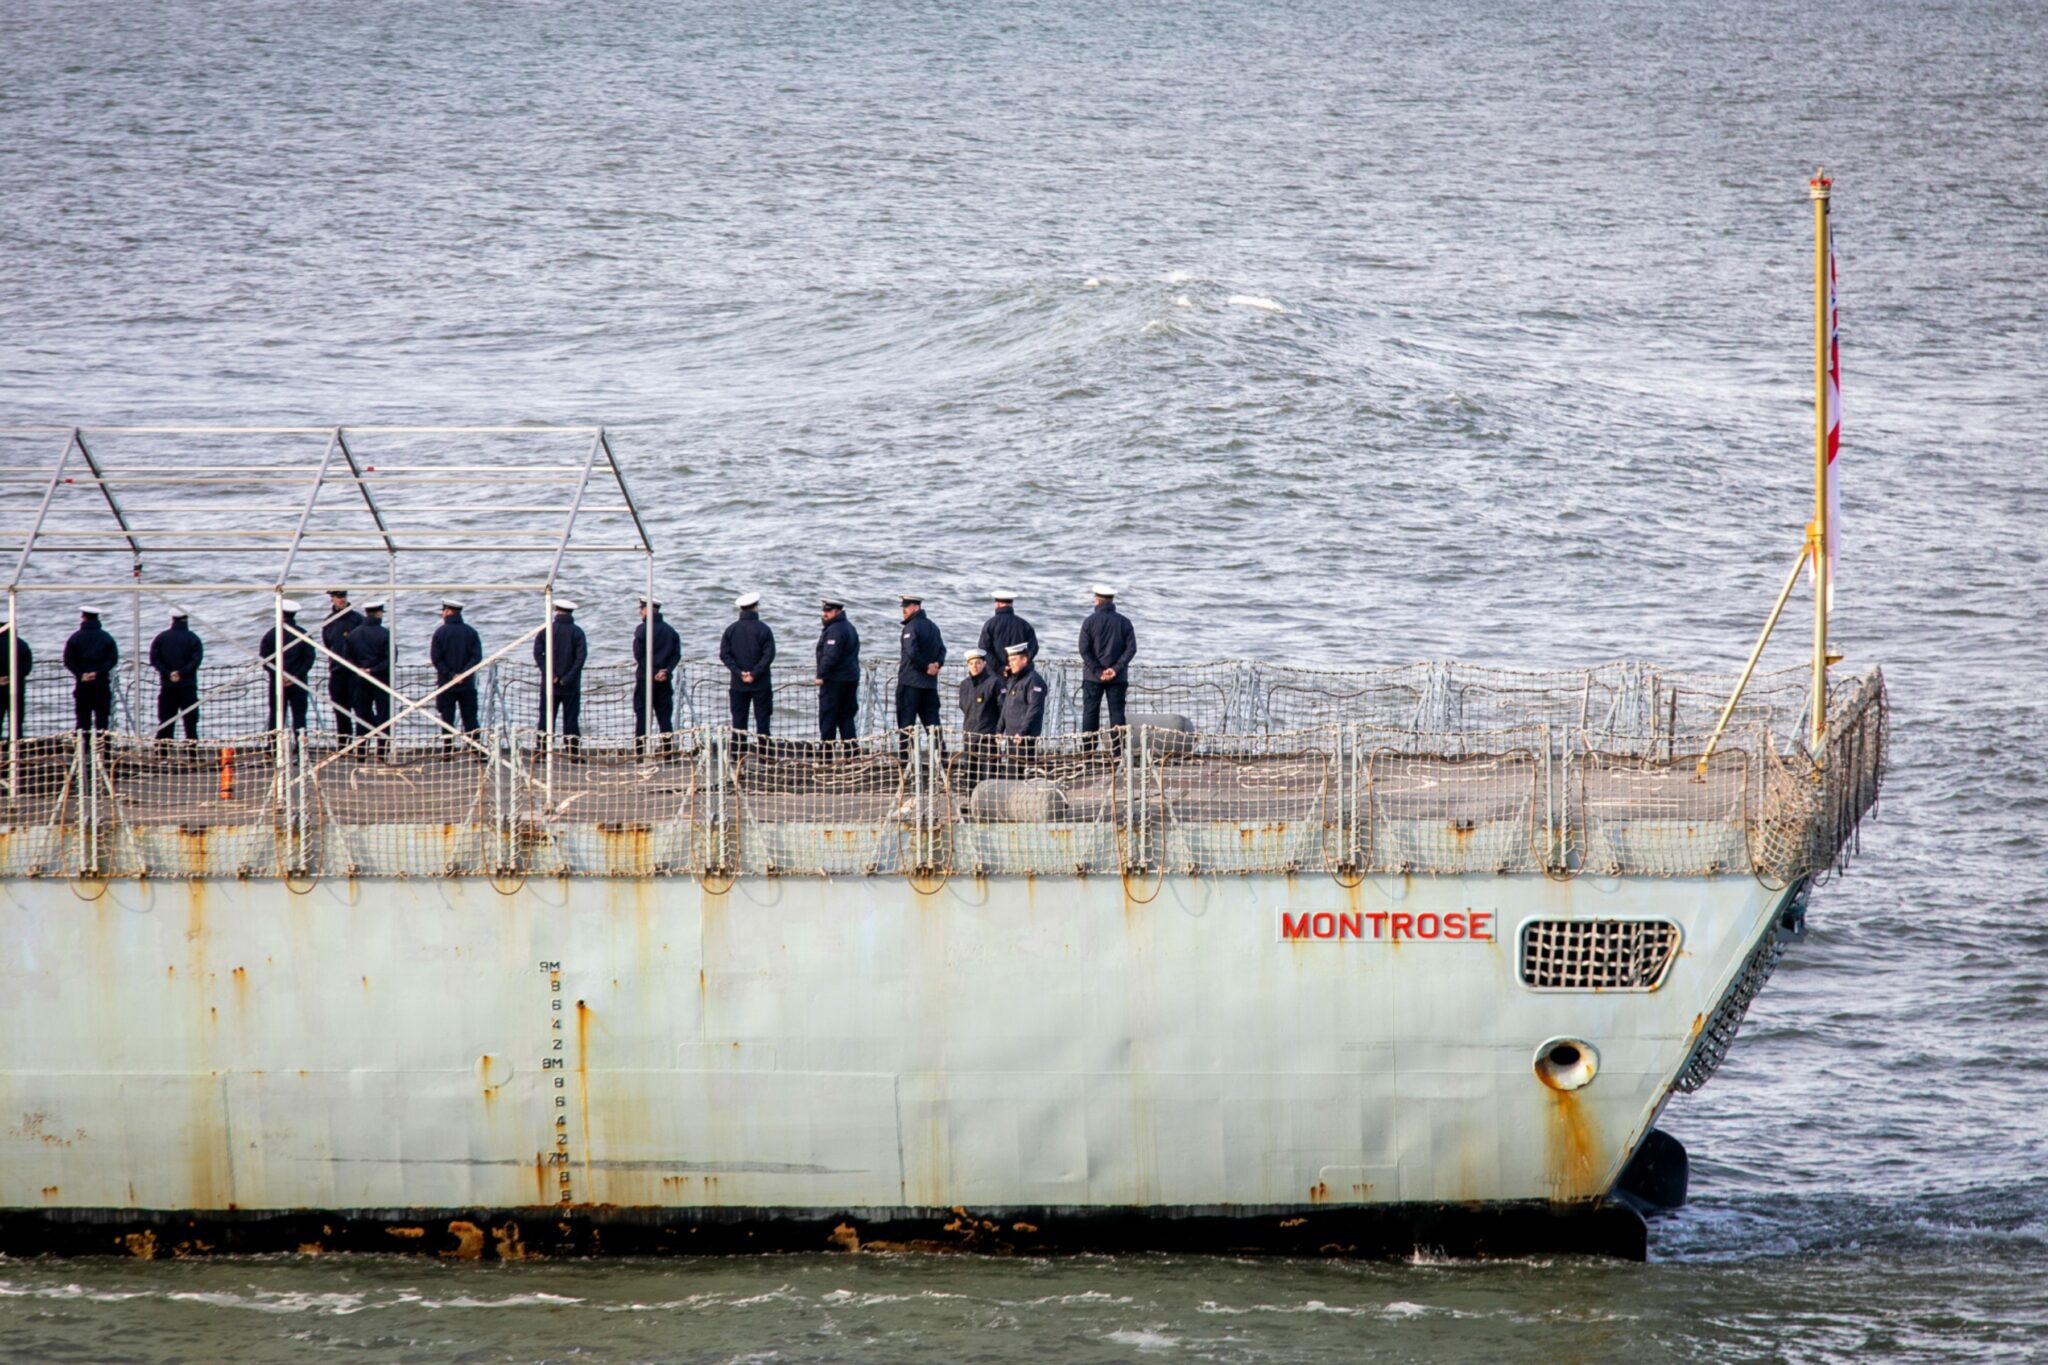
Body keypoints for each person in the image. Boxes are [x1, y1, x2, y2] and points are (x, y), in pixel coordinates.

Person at [1078, 583, 1137, 752]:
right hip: (1117, 677)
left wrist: (1097, 671)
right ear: (1112, 600)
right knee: (1117, 714)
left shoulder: (1089, 622)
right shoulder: (1124, 622)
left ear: (1097, 600)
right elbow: (1131, 649)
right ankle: (1118, 752)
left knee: (1090, 714)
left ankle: (1087, 753)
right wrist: (1115, 669)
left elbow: (1084, 649)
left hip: (1092, 676)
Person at [533, 598, 588, 755]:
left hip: (549, 683)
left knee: (545, 717)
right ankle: (573, 752)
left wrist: (550, 674)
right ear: (572, 612)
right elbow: (580, 658)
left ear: (556, 610)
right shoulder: (577, 632)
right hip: (570, 685)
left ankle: (542, 750)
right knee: (571, 719)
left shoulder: (546, 630)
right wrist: (566, 678)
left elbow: (538, 653)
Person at [895, 593, 946, 759]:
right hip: (929, 684)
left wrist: (926, 667)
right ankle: (941, 757)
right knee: (932, 723)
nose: (903, 610)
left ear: (916, 607)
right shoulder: (933, 627)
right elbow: (942, 650)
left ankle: (905, 759)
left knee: (906, 724)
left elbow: (911, 652)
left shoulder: (911, 627)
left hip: (911, 683)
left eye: (906, 607)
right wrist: (936, 665)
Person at [719, 592, 775, 739]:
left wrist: (739, 673)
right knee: (763, 722)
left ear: (741, 609)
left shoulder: (731, 630)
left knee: (738, 723)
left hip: (738, 684)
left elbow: (724, 655)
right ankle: (764, 756)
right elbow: (768, 655)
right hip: (761, 683)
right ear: (755, 608)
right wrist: (754, 673)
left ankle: (738, 757)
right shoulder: (764, 629)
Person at [430, 598, 483, 752]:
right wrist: (463, 674)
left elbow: (436, 658)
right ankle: (476, 749)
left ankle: (447, 750)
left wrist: (450, 674)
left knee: (447, 719)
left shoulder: (440, 633)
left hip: (446, 683)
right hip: (467, 684)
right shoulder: (471, 632)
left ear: (448, 611)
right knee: (470, 719)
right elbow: (476, 657)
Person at [344, 600, 393, 758]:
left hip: (359, 680)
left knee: (362, 715)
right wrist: (373, 669)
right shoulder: (385, 634)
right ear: (378, 613)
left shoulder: (353, 634)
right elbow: (390, 659)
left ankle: (361, 751)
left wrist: (359, 670)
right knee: (384, 716)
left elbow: (346, 657)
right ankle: (382, 752)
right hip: (381, 680)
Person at [633, 597, 681, 753]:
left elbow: (639, 655)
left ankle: (640, 753)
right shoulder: (670, 630)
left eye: (641, 609)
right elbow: (676, 655)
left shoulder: (642, 629)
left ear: (647, 610)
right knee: (664, 717)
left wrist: (653, 672)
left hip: (645, 679)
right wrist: (666, 670)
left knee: (642, 716)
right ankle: (667, 751)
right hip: (664, 680)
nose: (640, 612)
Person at [149, 607, 204, 741]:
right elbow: (196, 661)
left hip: (167, 685)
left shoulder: (161, 638)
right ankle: (192, 752)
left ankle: (162, 752)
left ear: (172, 619)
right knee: (190, 721)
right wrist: (182, 673)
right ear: (186, 619)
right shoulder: (193, 639)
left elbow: (154, 659)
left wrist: (168, 673)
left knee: (166, 720)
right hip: (188, 685)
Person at [258, 600, 314, 732]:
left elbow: (265, 659)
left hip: (277, 682)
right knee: (299, 716)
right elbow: (309, 659)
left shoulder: (271, 634)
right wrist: (295, 676)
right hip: (299, 681)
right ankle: (301, 749)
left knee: (276, 716)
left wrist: (278, 675)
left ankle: (273, 748)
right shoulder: (303, 634)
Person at [63, 606, 118, 733]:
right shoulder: (106, 637)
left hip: (82, 684)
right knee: (102, 719)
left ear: (83, 618)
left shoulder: (75, 638)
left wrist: (80, 673)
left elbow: (68, 660)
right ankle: (103, 749)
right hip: (101, 683)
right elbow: (112, 659)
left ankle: (83, 748)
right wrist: (98, 673)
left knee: (82, 719)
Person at [814, 596, 860, 744]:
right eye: (823, 611)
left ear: (837, 612)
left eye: (828, 611)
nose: (824, 614)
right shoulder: (849, 627)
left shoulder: (835, 630)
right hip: (850, 679)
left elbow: (830, 656)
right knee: (846, 719)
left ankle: (825, 758)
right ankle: (851, 754)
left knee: (828, 719)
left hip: (835, 681)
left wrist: (821, 675)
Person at [321, 589, 364, 737]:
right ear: (332, 599)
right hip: (337, 670)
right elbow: (328, 644)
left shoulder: (357, 619)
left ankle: (360, 746)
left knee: (360, 710)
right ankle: (344, 746)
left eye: (343, 596)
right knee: (340, 711)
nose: (342, 600)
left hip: (355, 671)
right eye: (338, 597)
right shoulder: (328, 621)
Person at [997, 642, 1048, 769]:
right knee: (1011, 771)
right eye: (1009, 660)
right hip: (1011, 734)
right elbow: (1006, 706)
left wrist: (1022, 732)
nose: (1011, 663)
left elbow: (1034, 708)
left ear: (1024, 659)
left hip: (1024, 736)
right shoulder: (1012, 680)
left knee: (1022, 774)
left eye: (1014, 659)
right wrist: (999, 729)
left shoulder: (1034, 680)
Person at [957, 647, 1003, 784]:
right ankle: (971, 799)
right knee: (970, 771)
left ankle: (989, 803)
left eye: (977, 663)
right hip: (970, 733)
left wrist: (999, 730)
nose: (974, 666)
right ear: (967, 665)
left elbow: (1002, 707)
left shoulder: (994, 682)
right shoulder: (964, 684)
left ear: (984, 664)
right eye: (971, 664)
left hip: (988, 735)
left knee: (989, 772)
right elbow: (963, 706)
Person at [976, 592, 1038, 667]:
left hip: (995, 674)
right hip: (1020, 672)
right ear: (1012, 604)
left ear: (997, 604)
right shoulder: (1025, 625)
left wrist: (999, 668)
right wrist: (1023, 662)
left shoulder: (989, 624)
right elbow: (1034, 647)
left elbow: (983, 649)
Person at [0, 628, 32, 740]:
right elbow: (27, 668)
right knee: (16, 722)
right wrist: (12, 677)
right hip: (16, 689)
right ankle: (17, 748)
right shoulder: (22, 645)